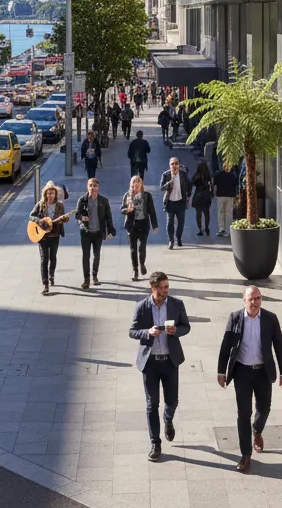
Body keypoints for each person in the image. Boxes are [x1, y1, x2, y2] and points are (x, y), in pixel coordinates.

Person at [217, 286, 282, 473]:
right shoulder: (235, 318)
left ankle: (257, 430)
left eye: (258, 298)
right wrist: (221, 371)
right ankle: (246, 455)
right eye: (251, 299)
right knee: (243, 413)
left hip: (263, 372)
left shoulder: (270, 319)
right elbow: (226, 345)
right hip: (242, 371)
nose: (255, 303)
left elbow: (279, 346)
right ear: (244, 300)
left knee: (264, 408)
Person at [130, 271, 191, 462]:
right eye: (163, 287)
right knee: (151, 404)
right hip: (150, 363)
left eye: (167, 287)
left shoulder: (176, 304)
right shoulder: (141, 306)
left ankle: (168, 419)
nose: (166, 290)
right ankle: (155, 442)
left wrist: (176, 331)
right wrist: (147, 333)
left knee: (172, 400)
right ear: (153, 288)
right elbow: (132, 331)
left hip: (170, 360)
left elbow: (186, 326)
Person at [75, 177, 116, 290]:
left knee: (97, 255)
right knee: (86, 256)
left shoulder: (103, 201)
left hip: (98, 232)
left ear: (98, 188)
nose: (92, 188)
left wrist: (111, 229)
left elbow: (108, 216)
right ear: (87, 187)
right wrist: (82, 220)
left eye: (95, 186)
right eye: (90, 185)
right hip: (86, 232)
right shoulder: (82, 200)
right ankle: (86, 280)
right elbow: (77, 215)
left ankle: (95, 275)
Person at [29, 180, 65, 296]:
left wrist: (64, 219)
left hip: (55, 235)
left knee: (53, 257)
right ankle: (45, 284)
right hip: (43, 236)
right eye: (48, 193)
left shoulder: (60, 205)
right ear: (45, 194)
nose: (50, 195)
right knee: (44, 259)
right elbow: (31, 216)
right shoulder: (40, 204)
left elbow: (63, 219)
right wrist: (39, 221)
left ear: (55, 194)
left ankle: (51, 275)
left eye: (52, 193)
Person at [121, 174, 158, 281]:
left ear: (141, 184)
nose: (136, 183)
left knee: (142, 247)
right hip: (131, 225)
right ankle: (135, 270)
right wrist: (128, 210)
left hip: (144, 224)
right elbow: (122, 210)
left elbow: (152, 211)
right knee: (133, 248)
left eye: (138, 181)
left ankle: (142, 263)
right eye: (134, 181)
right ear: (131, 184)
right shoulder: (127, 196)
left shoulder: (147, 195)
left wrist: (154, 225)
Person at [160, 157, 191, 249]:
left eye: (176, 163)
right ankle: (171, 240)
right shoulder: (166, 175)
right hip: (170, 202)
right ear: (169, 165)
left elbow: (189, 185)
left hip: (181, 202)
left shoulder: (183, 174)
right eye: (172, 164)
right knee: (170, 222)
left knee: (181, 222)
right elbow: (161, 188)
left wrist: (188, 196)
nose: (174, 166)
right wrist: (170, 181)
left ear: (179, 165)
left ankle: (179, 238)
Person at [213, 162, 239, 237]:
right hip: (230, 196)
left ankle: (221, 229)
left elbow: (214, 183)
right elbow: (236, 184)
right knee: (229, 213)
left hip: (221, 195)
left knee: (221, 212)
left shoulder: (218, 174)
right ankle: (228, 230)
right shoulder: (232, 175)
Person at [191, 160, 213, 237]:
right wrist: (212, 194)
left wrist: (189, 194)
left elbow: (192, 183)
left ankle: (200, 229)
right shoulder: (208, 175)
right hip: (206, 196)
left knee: (198, 214)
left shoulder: (197, 175)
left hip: (198, 196)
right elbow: (211, 185)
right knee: (207, 213)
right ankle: (207, 227)